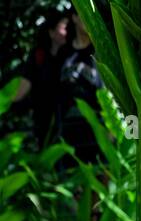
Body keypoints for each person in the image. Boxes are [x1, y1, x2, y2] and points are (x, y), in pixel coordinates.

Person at [12, 7, 71, 149]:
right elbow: (25, 84)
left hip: (68, 120)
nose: (68, 32)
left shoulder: (72, 55)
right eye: (64, 27)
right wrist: (6, 100)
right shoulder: (39, 55)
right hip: (43, 118)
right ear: (51, 32)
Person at [57, 8, 104, 163]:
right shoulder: (63, 53)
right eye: (84, 15)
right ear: (75, 18)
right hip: (70, 134)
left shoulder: (101, 52)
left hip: (98, 134)